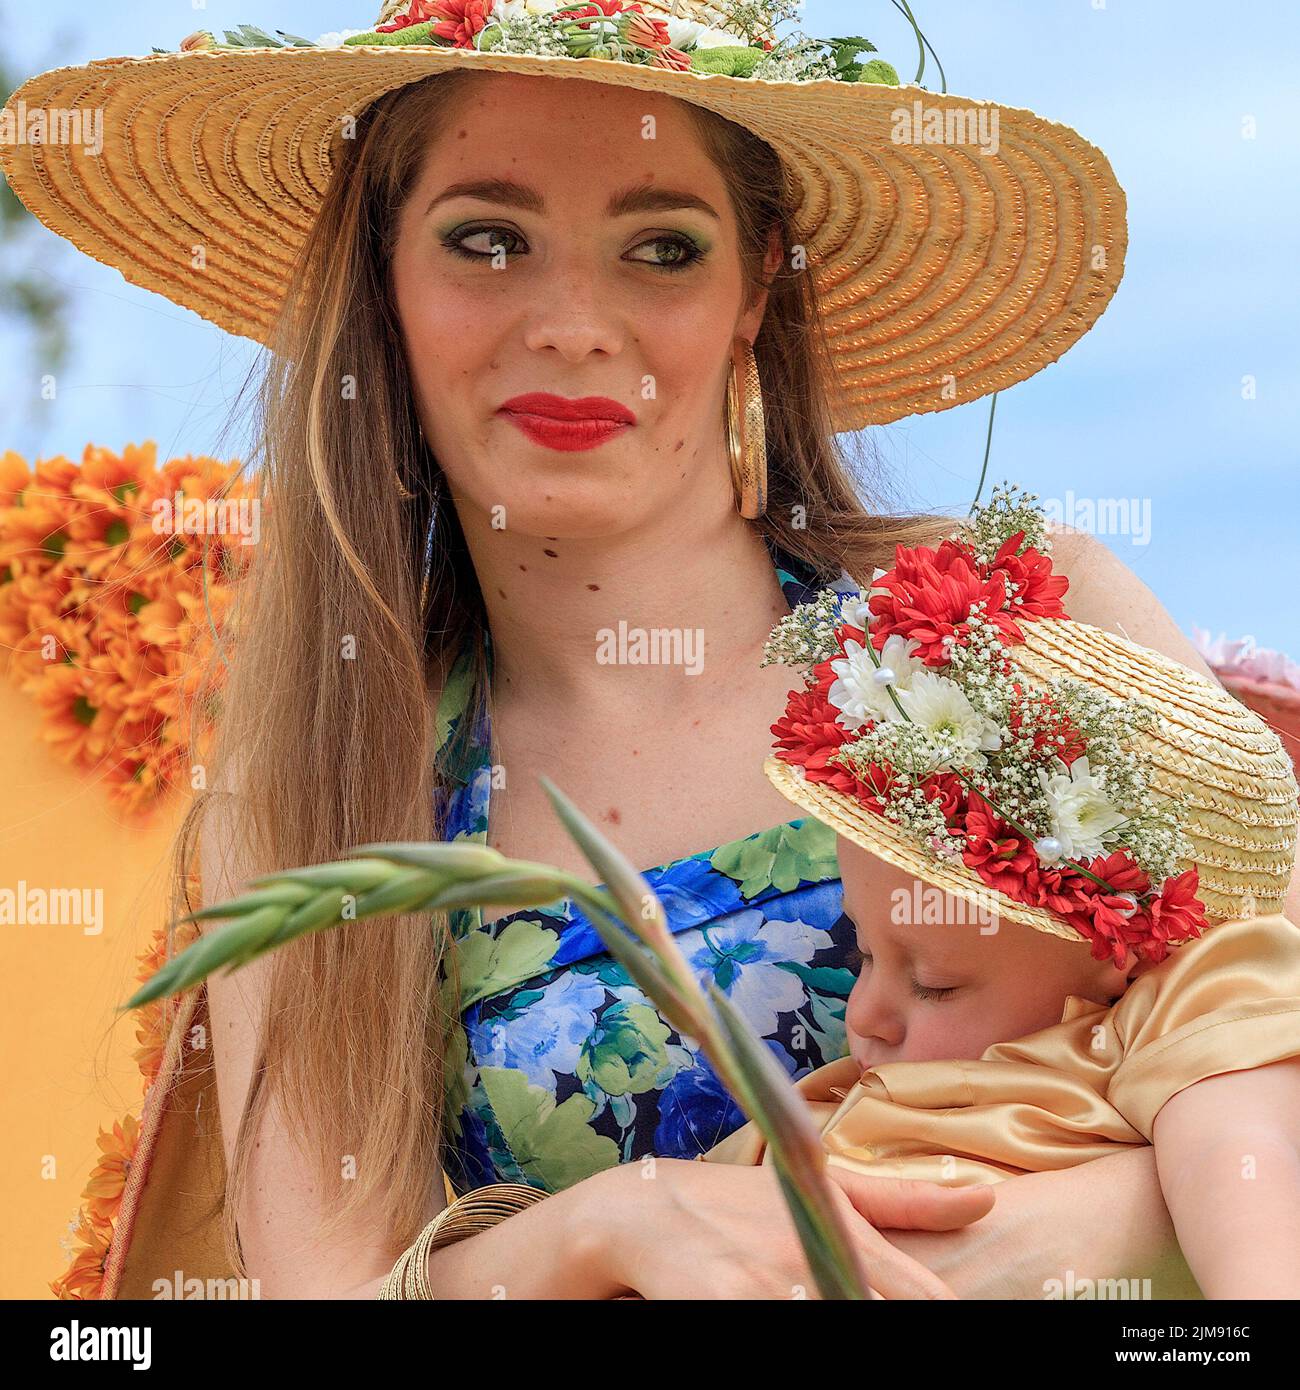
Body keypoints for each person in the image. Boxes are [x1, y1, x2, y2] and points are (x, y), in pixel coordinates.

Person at [6, 2, 1295, 1300]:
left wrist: (1074, 1232)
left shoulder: (1031, 617)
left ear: (753, 289)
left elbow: (1269, 1027)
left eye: (662, 247)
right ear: (380, 276)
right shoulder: (317, 787)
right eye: (487, 240)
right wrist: (608, 1224)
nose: (572, 323)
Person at [702, 488, 1300, 1299]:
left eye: (934, 983)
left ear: (1116, 960)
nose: (865, 1017)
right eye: (864, 953)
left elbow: (1249, 1194)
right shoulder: (822, 1109)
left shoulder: (1168, 1023)